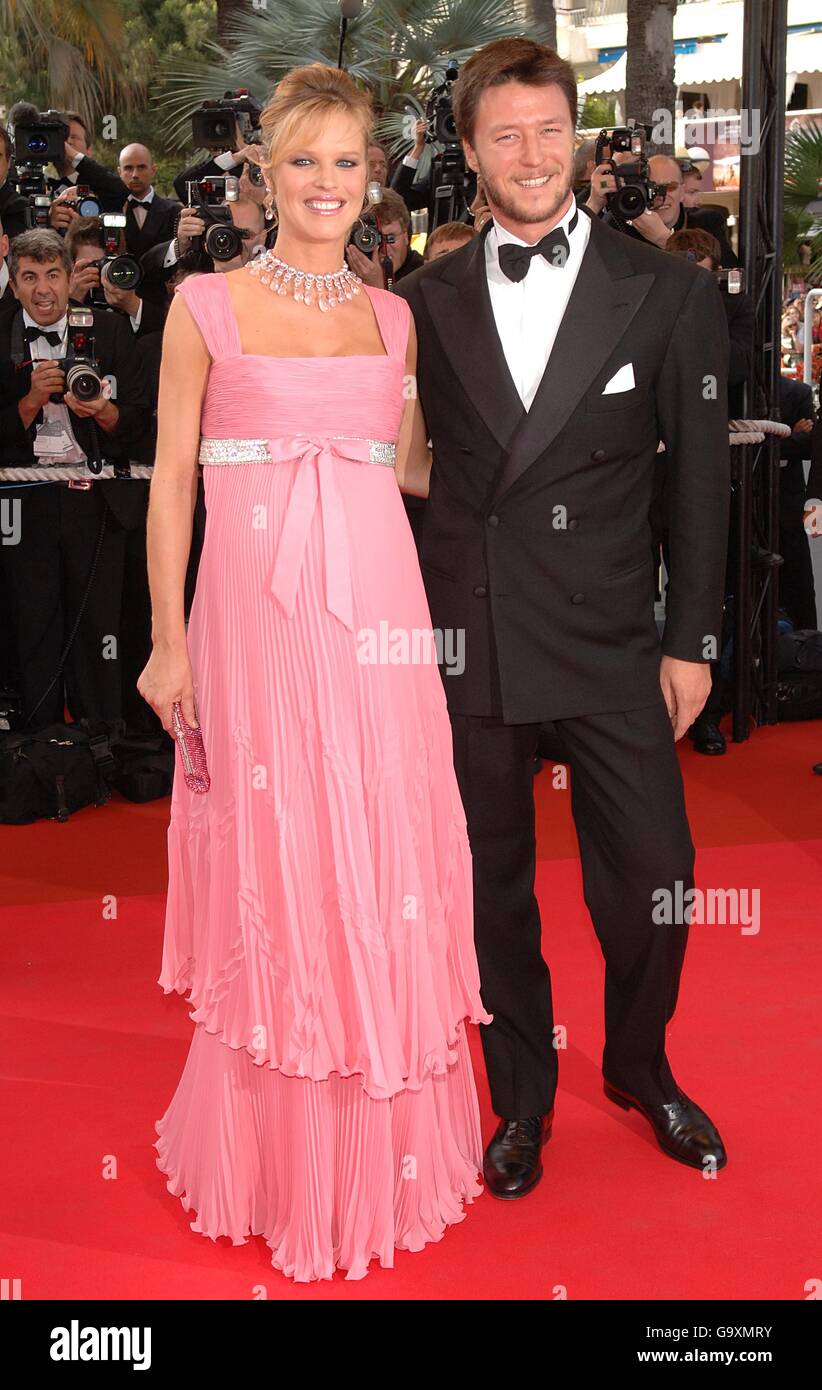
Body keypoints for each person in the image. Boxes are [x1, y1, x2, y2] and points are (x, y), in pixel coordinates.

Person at [137, 62, 490, 1284]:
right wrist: (168, 639)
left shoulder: (395, 319)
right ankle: (276, 1151)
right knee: (279, 856)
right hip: (250, 624)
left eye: (349, 163)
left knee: (378, 848)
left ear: (372, 180)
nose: (327, 184)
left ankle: (381, 1146)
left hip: (379, 627)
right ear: (264, 173)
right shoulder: (203, 306)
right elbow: (170, 479)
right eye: (305, 160)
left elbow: (413, 471)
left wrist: (581, 478)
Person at [396, 37, 731, 1199]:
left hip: (609, 640)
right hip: (473, 635)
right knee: (490, 888)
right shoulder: (422, 301)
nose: (531, 156)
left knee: (658, 873)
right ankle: (522, 1099)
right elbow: (400, 463)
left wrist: (693, 637)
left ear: (577, 140)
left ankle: (639, 1063)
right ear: (473, 153)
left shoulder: (670, 291)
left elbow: (698, 483)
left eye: (549, 130)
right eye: (505, 135)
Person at [0, 228, 151, 729]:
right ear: (15, 283)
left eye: (52, 275)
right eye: (29, 277)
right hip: (22, 503)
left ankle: (101, 743)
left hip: (95, 500)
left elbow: (142, 422)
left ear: (69, 278)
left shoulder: (108, 331)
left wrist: (103, 412)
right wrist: (28, 403)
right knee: (33, 623)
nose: (43, 290)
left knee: (98, 627)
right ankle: (38, 743)